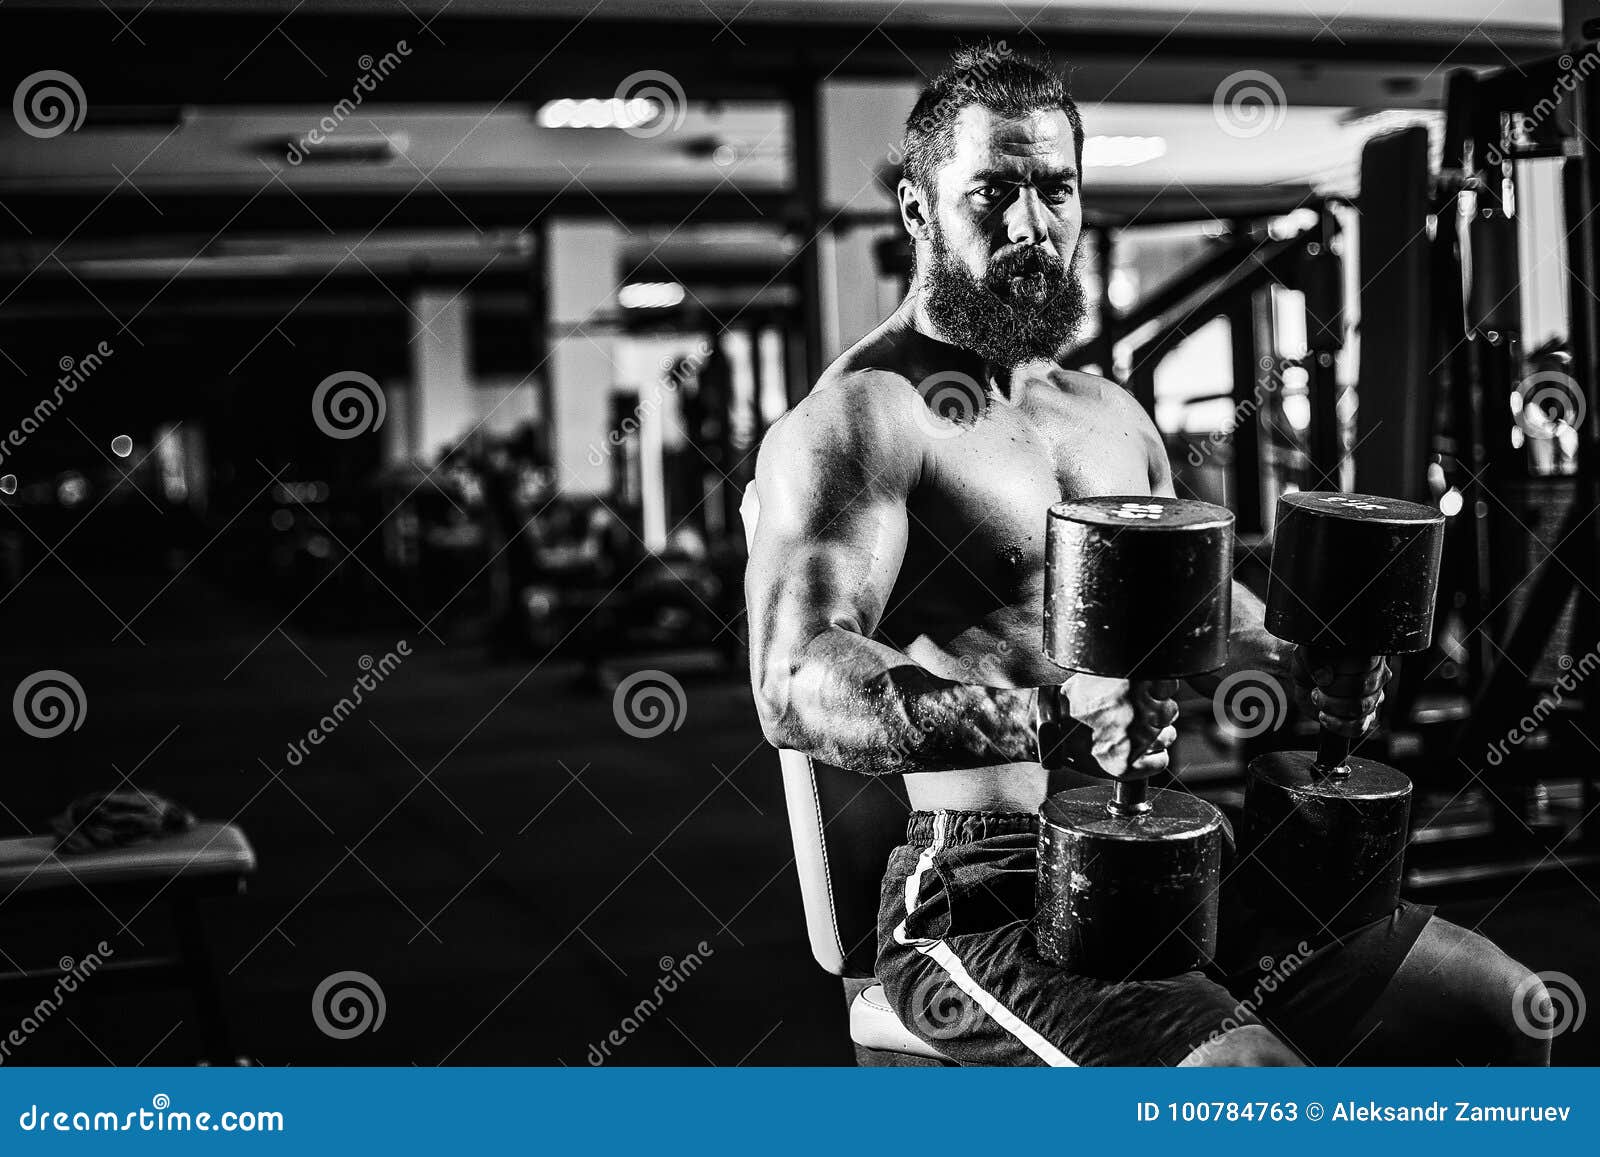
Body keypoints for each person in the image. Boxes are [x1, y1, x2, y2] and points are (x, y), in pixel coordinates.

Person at [743, 46, 1551, 1067]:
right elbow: (796, 681)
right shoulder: (862, 418)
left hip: (1174, 841)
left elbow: (1205, 603)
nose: (1032, 226)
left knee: (1501, 1007)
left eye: (1056, 189)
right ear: (916, 209)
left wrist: (1309, 646)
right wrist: (1039, 710)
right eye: (993, 191)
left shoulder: (1107, 414)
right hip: (986, 884)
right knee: (1249, 1082)